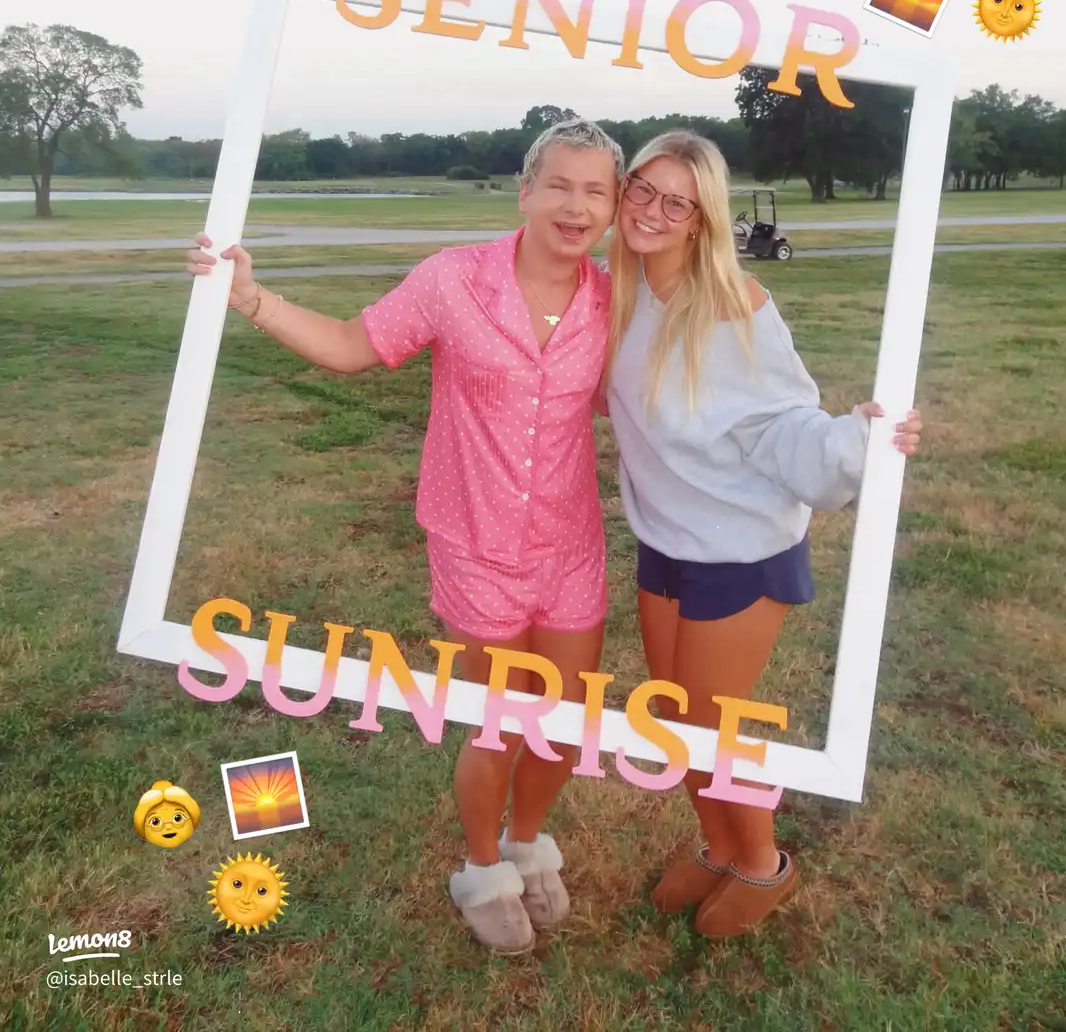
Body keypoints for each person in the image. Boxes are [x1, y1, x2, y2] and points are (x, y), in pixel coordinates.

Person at [186, 119, 624, 955]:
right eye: (560, 185)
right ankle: (484, 866)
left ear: (610, 209)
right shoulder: (453, 280)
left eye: (595, 190)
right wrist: (251, 298)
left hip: (571, 547)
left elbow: (655, 400)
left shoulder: (611, 302)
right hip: (473, 543)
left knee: (564, 721)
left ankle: (531, 842)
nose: (576, 206)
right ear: (526, 190)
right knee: (496, 723)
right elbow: (355, 345)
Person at [602, 130, 923, 938]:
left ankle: (763, 864)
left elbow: (786, 424)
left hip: (741, 550)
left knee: (713, 725)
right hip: (666, 540)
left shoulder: (734, 305)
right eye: (643, 188)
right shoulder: (620, 290)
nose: (652, 210)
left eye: (677, 201)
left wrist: (858, 441)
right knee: (671, 721)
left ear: (701, 221)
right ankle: (716, 847)